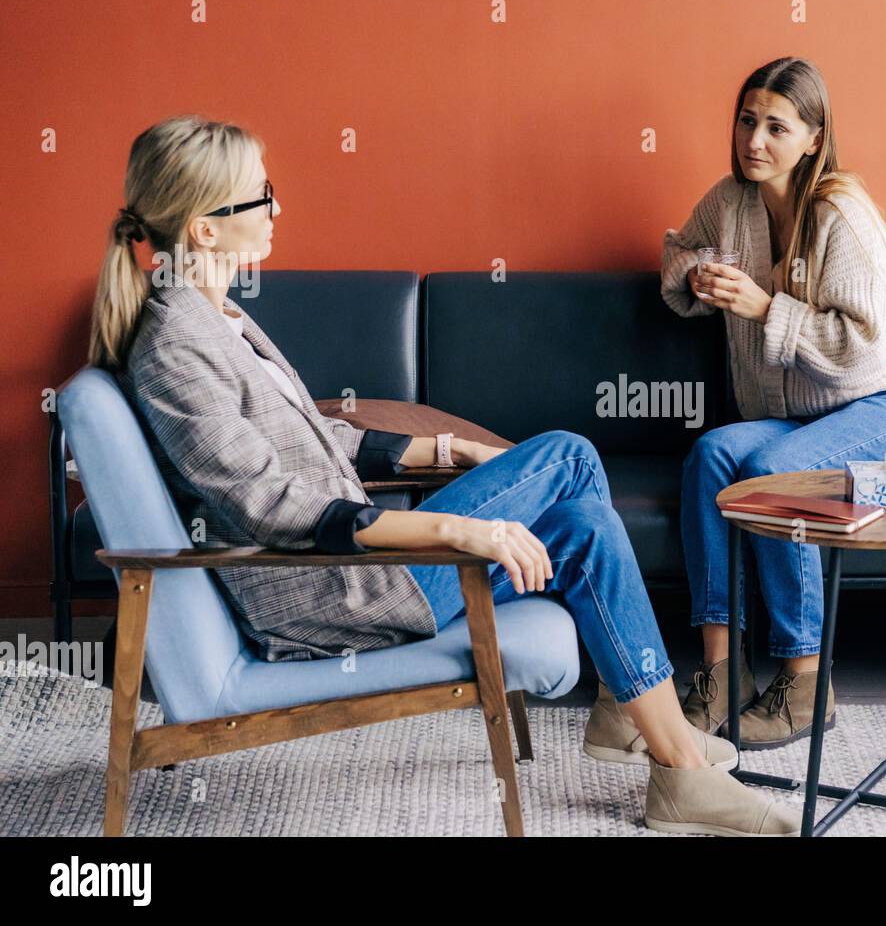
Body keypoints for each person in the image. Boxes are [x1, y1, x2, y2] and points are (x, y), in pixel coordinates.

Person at [88, 115, 799, 836]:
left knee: (581, 520)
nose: (278, 208)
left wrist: (445, 452)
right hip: (337, 592)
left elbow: (316, 442)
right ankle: (655, 740)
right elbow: (267, 502)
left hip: (357, 568)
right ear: (205, 231)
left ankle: (654, 740)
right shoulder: (176, 345)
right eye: (260, 195)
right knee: (570, 455)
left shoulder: (220, 319)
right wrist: (459, 528)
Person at [662, 58, 886, 749]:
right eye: (747, 120)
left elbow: (866, 349)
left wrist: (766, 309)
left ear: (813, 138)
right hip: (801, 414)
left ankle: (807, 682)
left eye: (777, 127)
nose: (755, 140)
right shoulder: (730, 202)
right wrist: (697, 275)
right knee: (710, 455)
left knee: (776, 467)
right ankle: (723, 674)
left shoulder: (842, 212)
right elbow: (674, 251)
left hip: (885, 400)